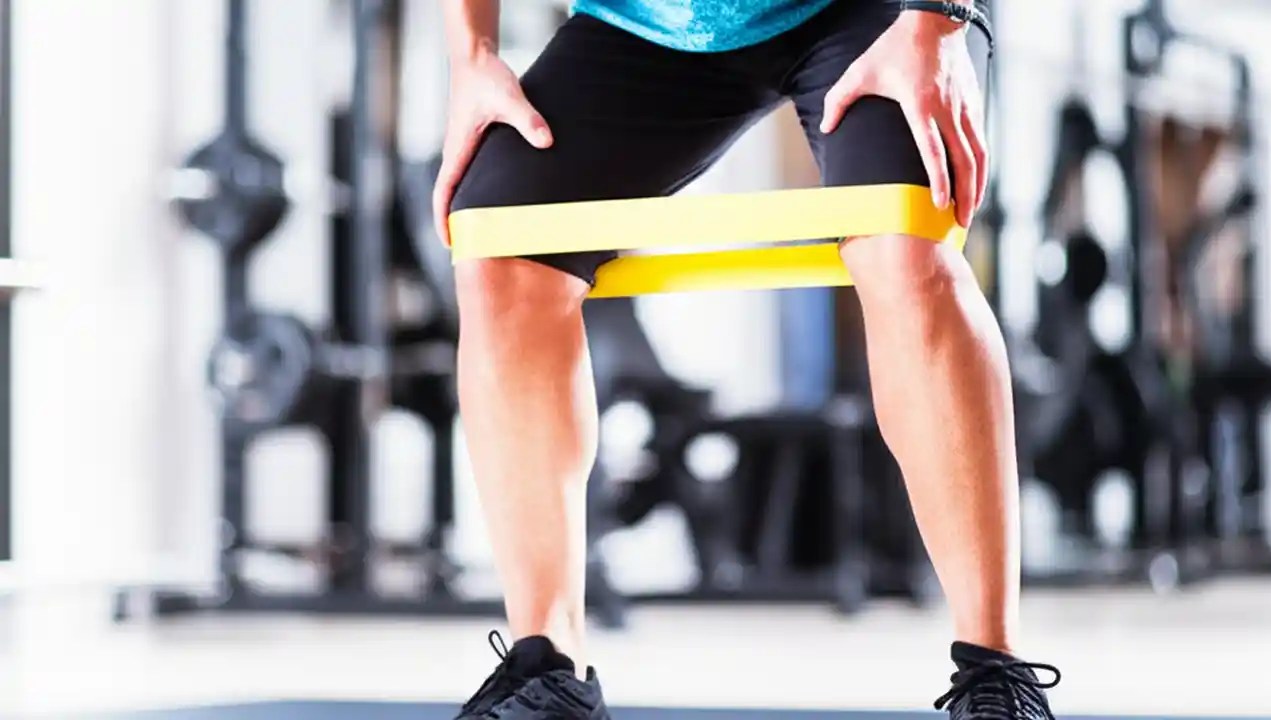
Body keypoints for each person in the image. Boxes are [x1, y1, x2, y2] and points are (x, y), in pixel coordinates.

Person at [433, 1, 1062, 718]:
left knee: (902, 237)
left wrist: (935, 25)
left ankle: (994, 674)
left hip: (877, 12)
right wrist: (472, 56)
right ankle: (549, 674)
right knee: (500, 245)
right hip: (651, 23)